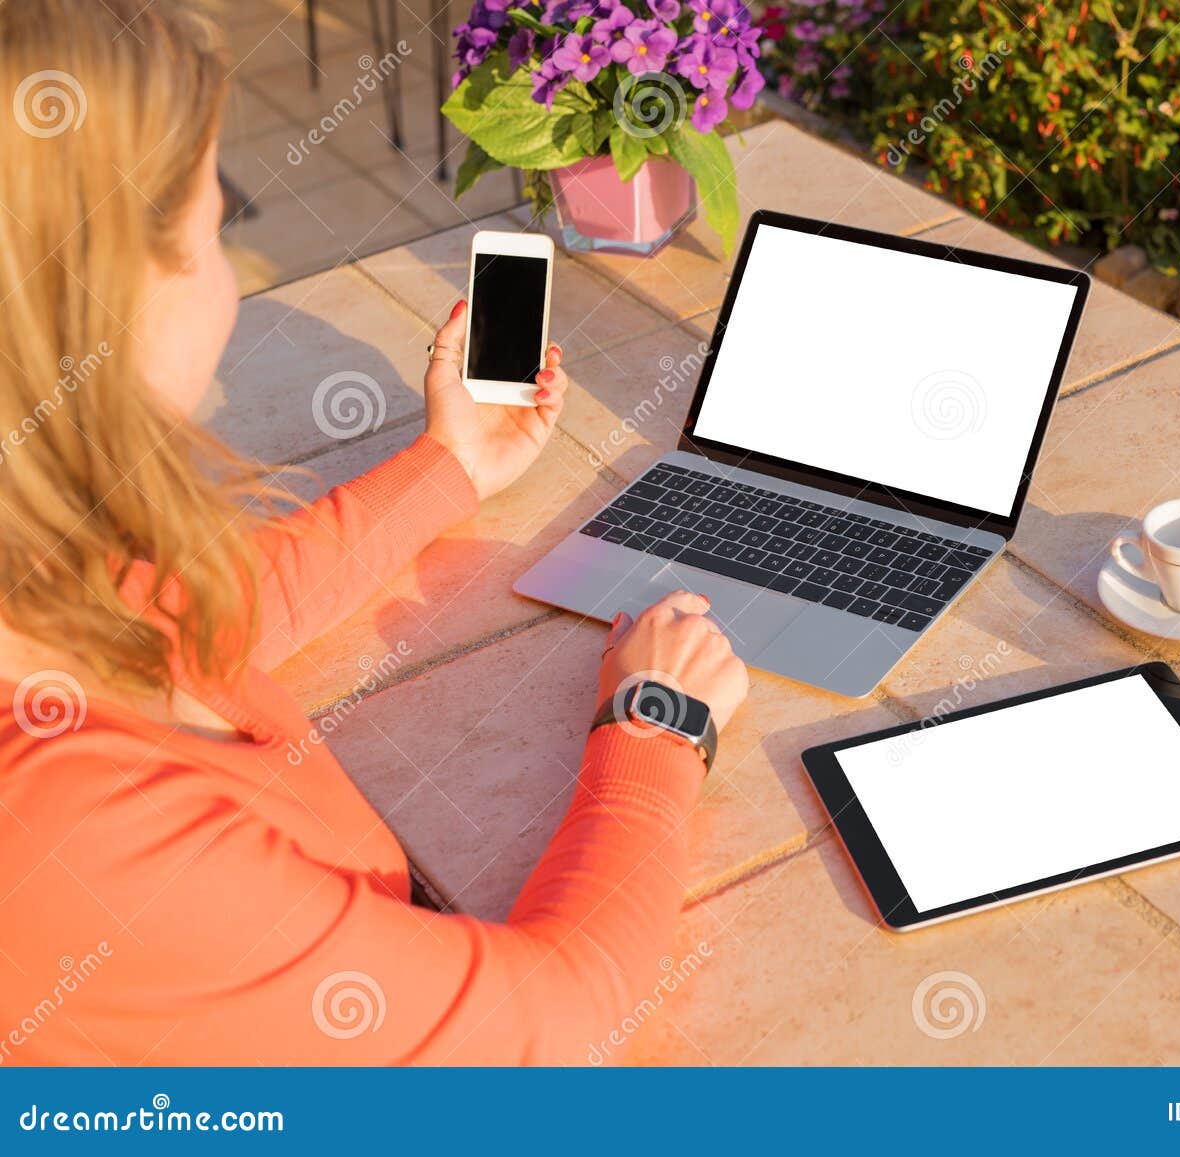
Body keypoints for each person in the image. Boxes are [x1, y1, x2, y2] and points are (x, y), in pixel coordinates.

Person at [0, 0, 747, 1064]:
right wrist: (655, 727)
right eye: (217, 230)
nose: (232, 279)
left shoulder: (38, 566)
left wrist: (448, 468)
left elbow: (200, 620)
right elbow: (562, 1020)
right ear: (105, 302)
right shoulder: (75, 839)